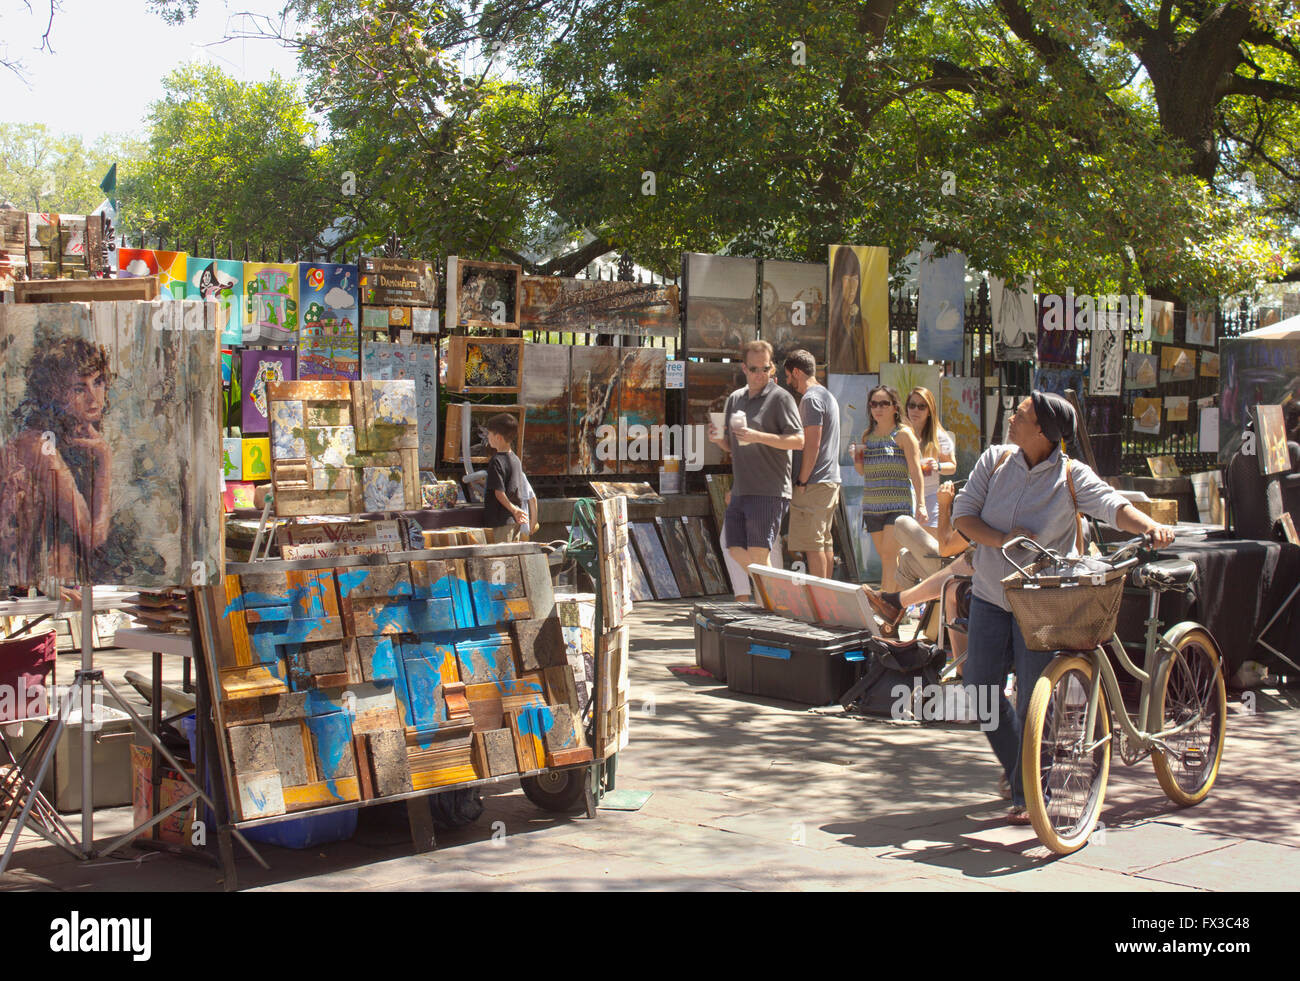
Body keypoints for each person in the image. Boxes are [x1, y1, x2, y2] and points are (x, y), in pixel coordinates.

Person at [952, 391, 1176, 825]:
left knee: (1035, 701)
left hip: (1040, 602)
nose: (1011, 419)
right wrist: (1002, 539)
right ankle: (1025, 776)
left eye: (1020, 414)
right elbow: (964, 516)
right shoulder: (995, 461)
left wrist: (1150, 526)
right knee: (980, 692)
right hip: (989, 595)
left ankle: (1028, 788)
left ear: (1042, 431)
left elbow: (1115, 506)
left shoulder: (1071, 476)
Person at [0, 336, 116, 588]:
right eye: (78, 388)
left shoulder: (68, 441)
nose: (94, 399)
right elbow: (94, 537)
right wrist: (105, 462)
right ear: (53, 392)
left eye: (98, 383)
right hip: (26, 595)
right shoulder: (40, 445)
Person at [709, 340, 804, 575]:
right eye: (754, 369)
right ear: (744, 369)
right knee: (734, 548)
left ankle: (770, 601)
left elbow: (798, 440)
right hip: (742, 489)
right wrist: (718, 439)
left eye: (765, 368)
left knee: (759, 553)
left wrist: (758, 436)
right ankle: (774, 593)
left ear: (772, 368)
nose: (760, 374)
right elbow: (734, 447)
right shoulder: (735, 399)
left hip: (769, 489)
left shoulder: (781, 398)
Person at [864, 479, 970, 629]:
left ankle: (892, 609)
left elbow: (946, 548)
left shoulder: (985, 513)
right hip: (955, 568)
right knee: (906, 557)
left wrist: (944, 505)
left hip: (956, 573)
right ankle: (891, 623)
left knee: (902, 522)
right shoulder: (992, 509)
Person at [853, 384, 926, 596]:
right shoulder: (868, 436)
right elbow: (861, 472)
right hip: (872, 506)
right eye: (874, 404)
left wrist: (921, 503)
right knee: (888, 557)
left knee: (888, 556)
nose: (878, 408)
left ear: (894, 407)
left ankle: (885, 603)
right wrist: (856, 456)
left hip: (898, 505)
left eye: (884, 403)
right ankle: (899, 603)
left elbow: (916, 471)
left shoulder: (903, 435)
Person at [783, 349, 841, 579]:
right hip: (828, 480)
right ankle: (827, 596)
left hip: (815, 482)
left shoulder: (811, 399)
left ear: (797, 372)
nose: (789, 382)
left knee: (812, 543)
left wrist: (803, 479)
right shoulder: (826, 396)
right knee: (823, 541)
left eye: (788, 376)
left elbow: (812, 444)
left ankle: (820, 599)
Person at [893, 386, 957, 586]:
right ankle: (909, 594)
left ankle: (931, 593)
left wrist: (937, 465)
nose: (915, 410)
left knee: (930, 551)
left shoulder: (938, 435)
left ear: (929, 410)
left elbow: (952, 466)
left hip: (930, 497)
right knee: (901, 548)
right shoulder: (900, 433)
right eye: (912, 405)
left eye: (921, 406)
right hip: (903, 495)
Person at [483, 413, 527, 543]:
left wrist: (513, 510)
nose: (487, 437)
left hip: (501, 520)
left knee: (501, 559)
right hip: (514, 519)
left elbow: (499, 492)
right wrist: (516, 511)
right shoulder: (516, 459)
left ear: (498, 437)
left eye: (489, 434)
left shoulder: (496, 461)